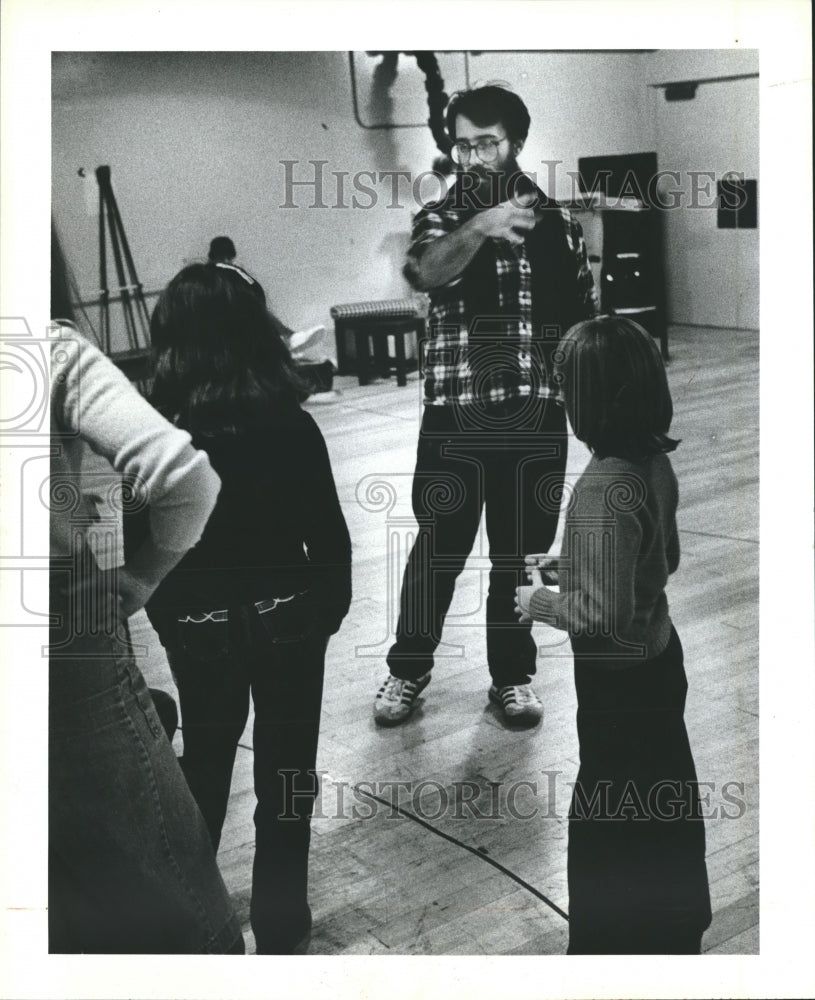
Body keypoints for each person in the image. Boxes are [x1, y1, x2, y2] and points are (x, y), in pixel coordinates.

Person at [129, 262, 352, 955]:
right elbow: (331, 542)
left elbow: (147, 559)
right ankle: (282, 920)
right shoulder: (291, 425)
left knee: (205, 763)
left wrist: (175, 625)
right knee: (287, 776)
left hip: (200, 628)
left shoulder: (158, 439)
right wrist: (321, 618)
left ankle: (194, 916)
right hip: (287, 614)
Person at [374, 84, 599, 727]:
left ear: (517, 143)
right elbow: (423, 272)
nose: (472, 156)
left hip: (536, 409)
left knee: (520, 555)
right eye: (462, 143)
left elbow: (583, 317)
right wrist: (481, 224)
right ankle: (407, 668)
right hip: (457, 411)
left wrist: (591, 405)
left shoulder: (557, 221)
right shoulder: (442, 217)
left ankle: (512, 677)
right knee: (437, 550)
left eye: (487, 143)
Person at [515, 315, 712, 954]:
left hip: (617, 685)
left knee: (606, 811)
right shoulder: (651, 461)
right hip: (661, 659)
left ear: (593, 399)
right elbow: (661, 559)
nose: (564, 400)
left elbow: (599, 613)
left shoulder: (600, 487)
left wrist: (540, 599)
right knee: (665, 796)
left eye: (568, 388)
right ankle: (676, 922)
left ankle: (606, 943)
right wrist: (576, 562)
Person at [49, 318, 244, 953]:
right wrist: (141, 579)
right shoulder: (34, 341)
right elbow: (186, 479)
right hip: (57, 637)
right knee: (175, 905)